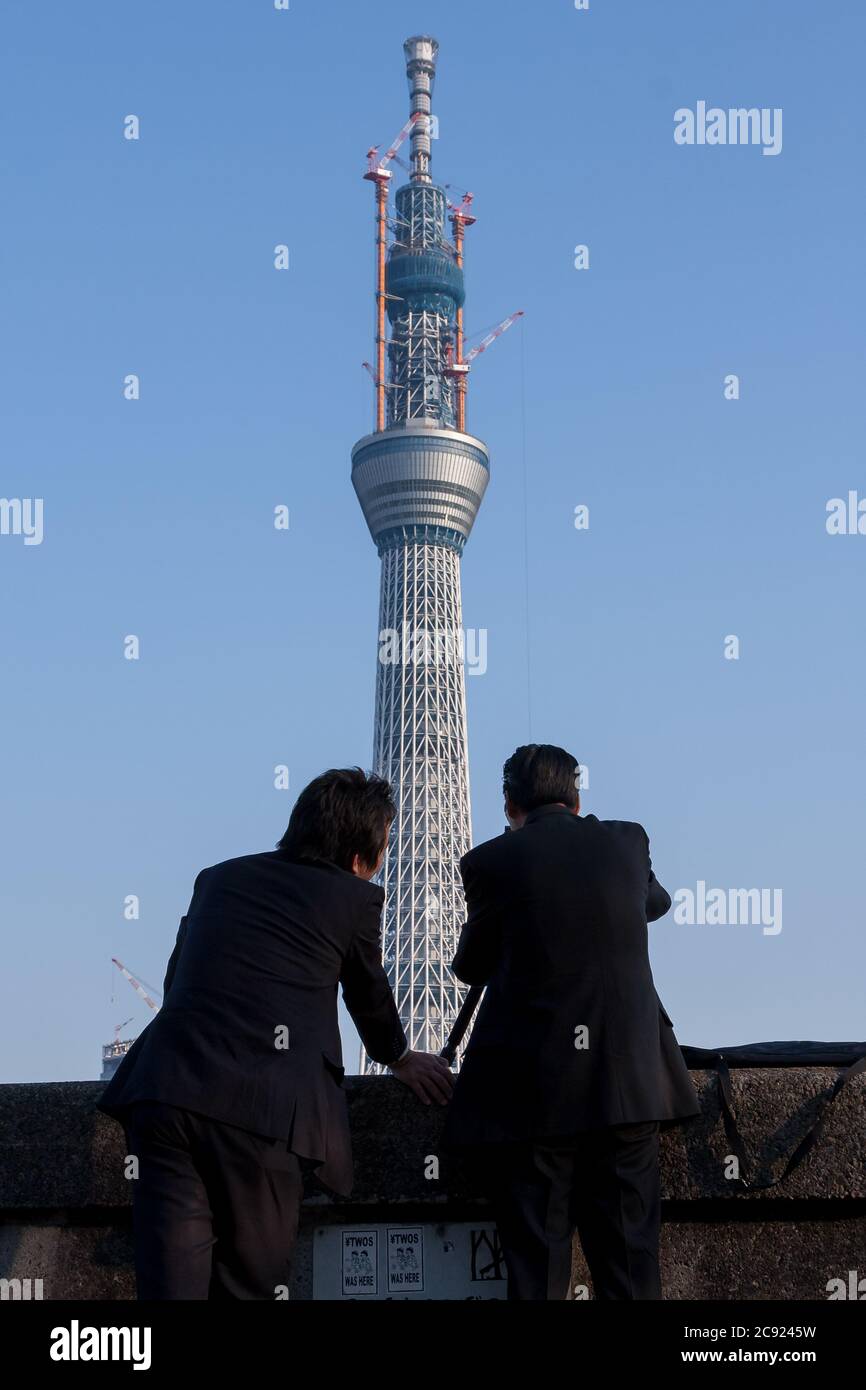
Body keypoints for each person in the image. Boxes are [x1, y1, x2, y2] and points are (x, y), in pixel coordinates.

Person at [99, 767, 452, 1299]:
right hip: (262, 1110)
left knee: (170, 1287)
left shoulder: (219, 877)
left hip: (165, 1091)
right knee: (250, 1283)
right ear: (361, 857)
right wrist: (400, 1057)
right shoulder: (352, 898)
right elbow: (367, 995)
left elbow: (178, 981)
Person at [444, 743, 700, 1301]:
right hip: (627, 1087)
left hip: (534, 1098)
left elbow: (471, 967)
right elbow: (652, 903)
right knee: (632, 1271)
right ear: (578, 797)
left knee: (537, 1271)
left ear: (510, 804)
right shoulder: (627, 840)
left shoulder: (490, 862)